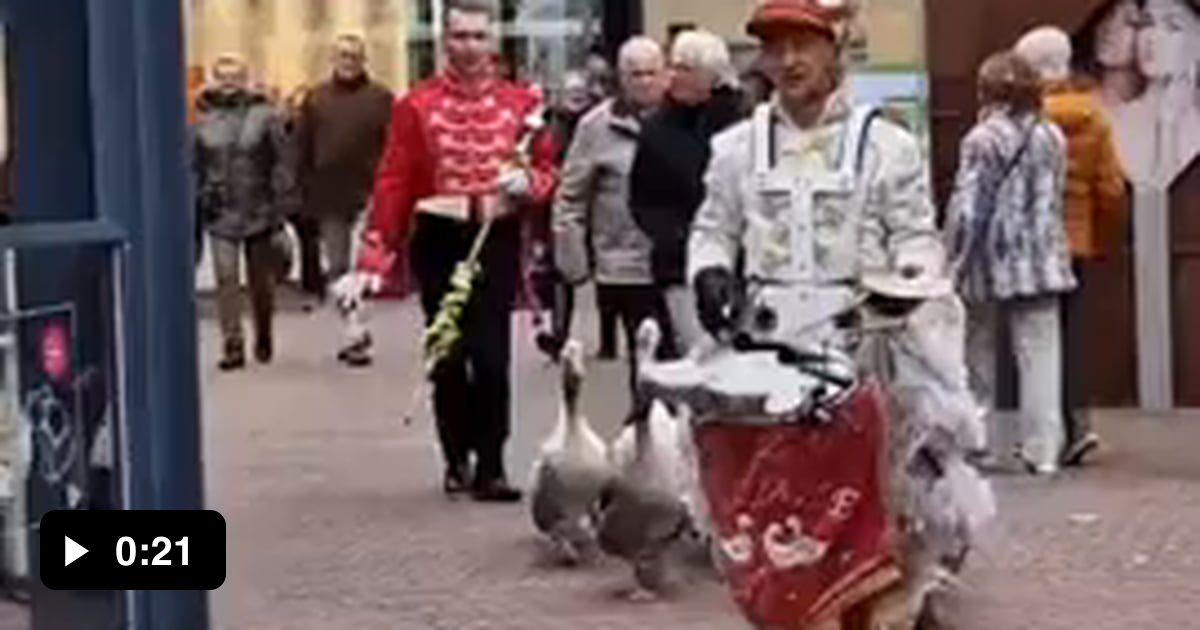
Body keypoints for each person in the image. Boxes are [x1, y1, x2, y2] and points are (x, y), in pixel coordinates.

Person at [686, 1, 989, 625]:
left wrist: (905, 282)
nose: (789, 61)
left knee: (881, 511)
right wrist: (709, 269)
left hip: (864, 351)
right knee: (774, 511)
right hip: (768, 359)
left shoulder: (888, 145)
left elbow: (916, 238)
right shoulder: (736, 148)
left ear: (836, 51)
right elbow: (712, 227)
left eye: (804, 44)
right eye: (776, 48)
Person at [362, 0, 557, 502]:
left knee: (491, 356)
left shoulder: (523, 104)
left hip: (494, 234)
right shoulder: (416, 105)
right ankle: (456, 455)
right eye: (459, 37)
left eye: (477, 36)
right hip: (439, 236)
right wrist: (378, 248)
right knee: (448, 351)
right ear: (443, 41)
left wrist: (528, 184)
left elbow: (548, 171)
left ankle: (492, 463)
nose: (469, 47)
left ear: (493, 41)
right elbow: (394, 177)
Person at [945, 51, 1075, 476]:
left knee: (975, 350)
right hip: (1042, 258)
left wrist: (953, 261)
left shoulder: (983, 139)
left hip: (990, 260)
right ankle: (1044, 450)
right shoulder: (1052, 135)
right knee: (1041, 355)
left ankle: (976, 440)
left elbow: (970, 208)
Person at [1016, 26, 1127, 467]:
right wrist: (1102, 232)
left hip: (1031, 245)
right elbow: (1112, 187)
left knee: (1034, 340)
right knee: (1070, 335)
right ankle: (1078, 426)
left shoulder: (1025, 121)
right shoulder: (1093, 116)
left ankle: (1043, 434)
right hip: (1076, 241)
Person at [553, 36, 669, 403]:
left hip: (674, 261)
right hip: (621, 267)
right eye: (635, 75)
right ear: (621, 77)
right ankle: (644, 437)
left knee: (676, 360)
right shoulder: (595, 127)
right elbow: (570, 198)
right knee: (642, 362)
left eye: (652, 73)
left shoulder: (682, 121)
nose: (645, 82)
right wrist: (575, 267)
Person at [630, 29, 743, 357]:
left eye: (684, 68)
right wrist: (679, 237)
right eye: (673, 66)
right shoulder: (655, 130)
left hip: (740, 265)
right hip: (678, 267)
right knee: (702, 356)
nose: (673, 75)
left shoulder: (741, 127)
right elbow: (643, 201)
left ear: (709, 76)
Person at [293, 34, 394, 360]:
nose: (348, 62)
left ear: (363, 60)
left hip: (371, 194)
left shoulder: (381, 99)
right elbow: (301, 148)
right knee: (338, 267)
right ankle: (353, 331)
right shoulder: (316, 99)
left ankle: (359, 328)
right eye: (342, 56)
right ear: (333, 60)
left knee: (365, 268)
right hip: (329, 194)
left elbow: (397, 148)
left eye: (354, 56)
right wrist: (299, 190)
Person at [193, 54, 293, 371]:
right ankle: (232, 344)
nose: (228, 83)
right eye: (222, 77)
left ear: (245, 79)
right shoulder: (202, 120)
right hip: (220, 209)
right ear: (213, 80)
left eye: (234, 77)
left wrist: (281, 204)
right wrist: (197, 199)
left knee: (260, 282)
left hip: (258, 208)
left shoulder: (264, 115)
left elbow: (282, 161)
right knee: (226, 278)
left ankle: (263, 332)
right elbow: (195, 166)